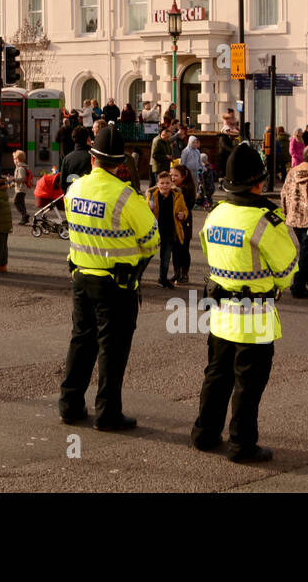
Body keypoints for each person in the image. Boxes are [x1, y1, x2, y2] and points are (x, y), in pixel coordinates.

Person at [191, 142, 297, 463]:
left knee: (216, 375)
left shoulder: (216, 213)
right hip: (255, 316)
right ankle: (241, 444)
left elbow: (210, 255)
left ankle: (205, 434)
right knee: (248, 385)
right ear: (259, 183)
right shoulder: (265, 221)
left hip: (220, 311)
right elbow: (287, 270)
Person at [59, 124, 160, 431]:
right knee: (112, 350)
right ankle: (107, 412)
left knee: (81, 342)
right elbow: (152, 240)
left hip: (80, 277)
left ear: (92, 159)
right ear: (120, 164)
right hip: (117, 285)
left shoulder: (74, 190)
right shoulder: (127, 198)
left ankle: (70, 405)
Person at [281, 143, 308, 298]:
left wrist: (286, 212)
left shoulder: (293, 172)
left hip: (294, 217)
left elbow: (284, 193)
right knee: (307, 254)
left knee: (306, 251)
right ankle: (297, 285)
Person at [147, 171, 187, 290]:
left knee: (166, 258)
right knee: (146, 256)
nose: (165, 185)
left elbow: (184, 210)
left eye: (167, 183)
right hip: (155, 232)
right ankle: (137, 277)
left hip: (169, 232)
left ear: (171, 184)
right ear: (158, 184)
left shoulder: (177, 196)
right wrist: (149, 210)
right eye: (162, 183)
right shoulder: (152, 197)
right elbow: (145, 213)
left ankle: (162, 279)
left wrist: (183, 215)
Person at [11, 150, 31, 225]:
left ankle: (24, 215)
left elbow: (22, 178)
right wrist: (13, 183)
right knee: (21, 203)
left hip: (21, 189)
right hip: (20, 188)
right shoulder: (19, 167)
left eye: (14, 159)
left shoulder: (21, 168)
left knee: (16, 202)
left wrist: (13, 179)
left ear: (17, 159)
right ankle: (24, 218)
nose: (13, 160)